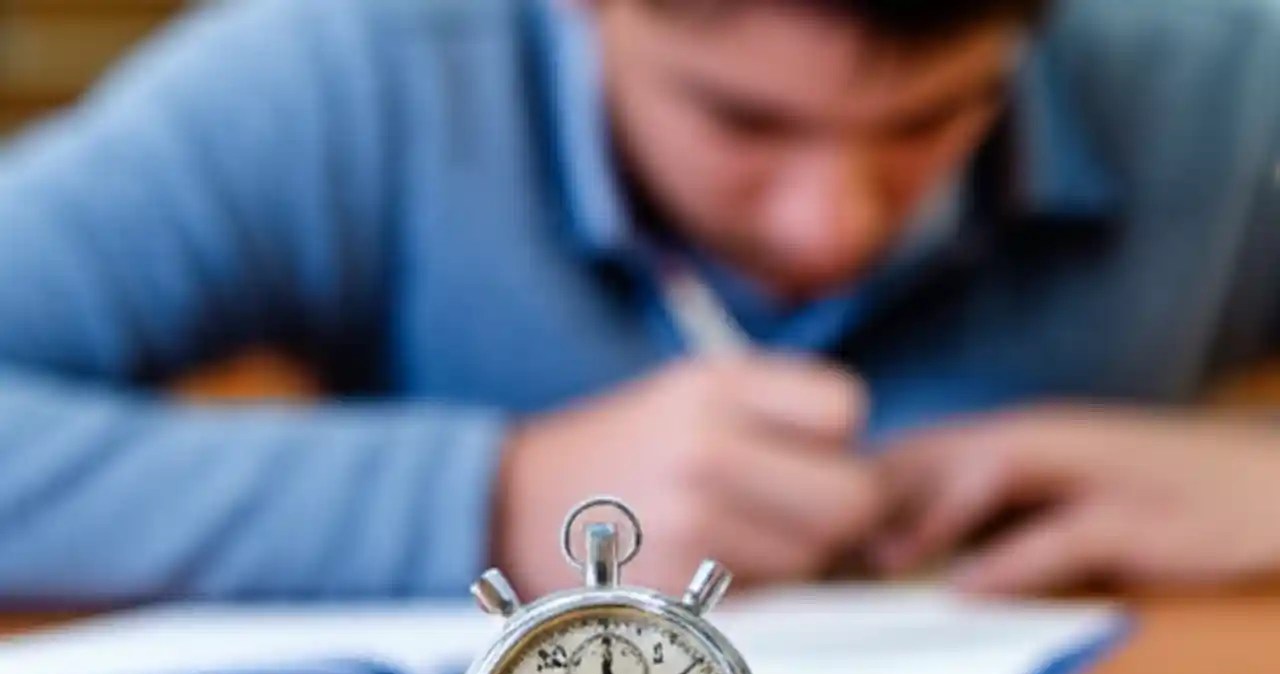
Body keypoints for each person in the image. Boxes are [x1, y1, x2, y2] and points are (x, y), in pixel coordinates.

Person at [1, 0, 1279, 605]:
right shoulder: (351, 71)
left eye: (934, 120)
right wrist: (487, 502)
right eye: (739, 120)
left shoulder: (1215, 72)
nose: (826, 223)